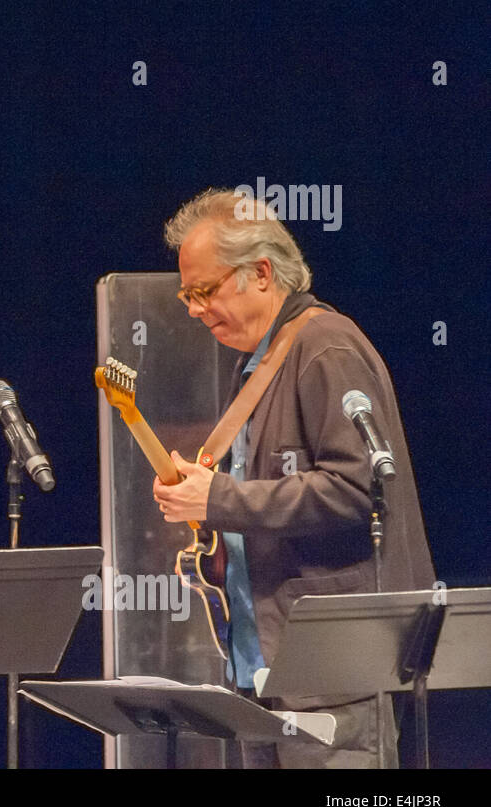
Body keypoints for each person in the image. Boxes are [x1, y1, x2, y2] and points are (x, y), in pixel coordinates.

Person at [152, 187, 435, 768]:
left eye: (203, 290)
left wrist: (221, 498)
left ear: (259, 273)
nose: (193, 309)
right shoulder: (257, 363)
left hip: (335, 685)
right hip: (266, 680)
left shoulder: (325, 346)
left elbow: (360, 486)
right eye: (186, 294)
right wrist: (210, 521)